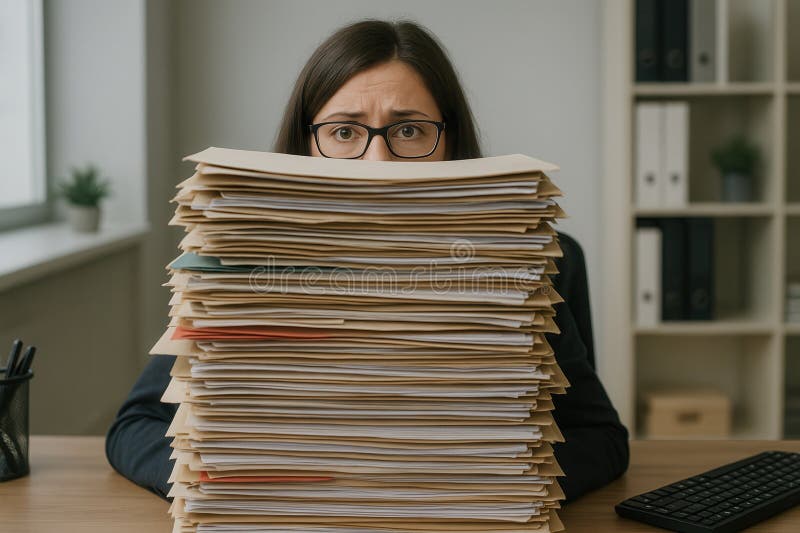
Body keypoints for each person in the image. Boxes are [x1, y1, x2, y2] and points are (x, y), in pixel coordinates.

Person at [106, 18, 629, 505]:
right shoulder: (240, 261)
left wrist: (484, 489)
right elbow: (137, 426)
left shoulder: (518, 263)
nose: (376, 165)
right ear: (304, 146)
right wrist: (222, 484)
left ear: (449, 142)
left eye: (408, 131)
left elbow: (600, 438)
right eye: (343, 132)